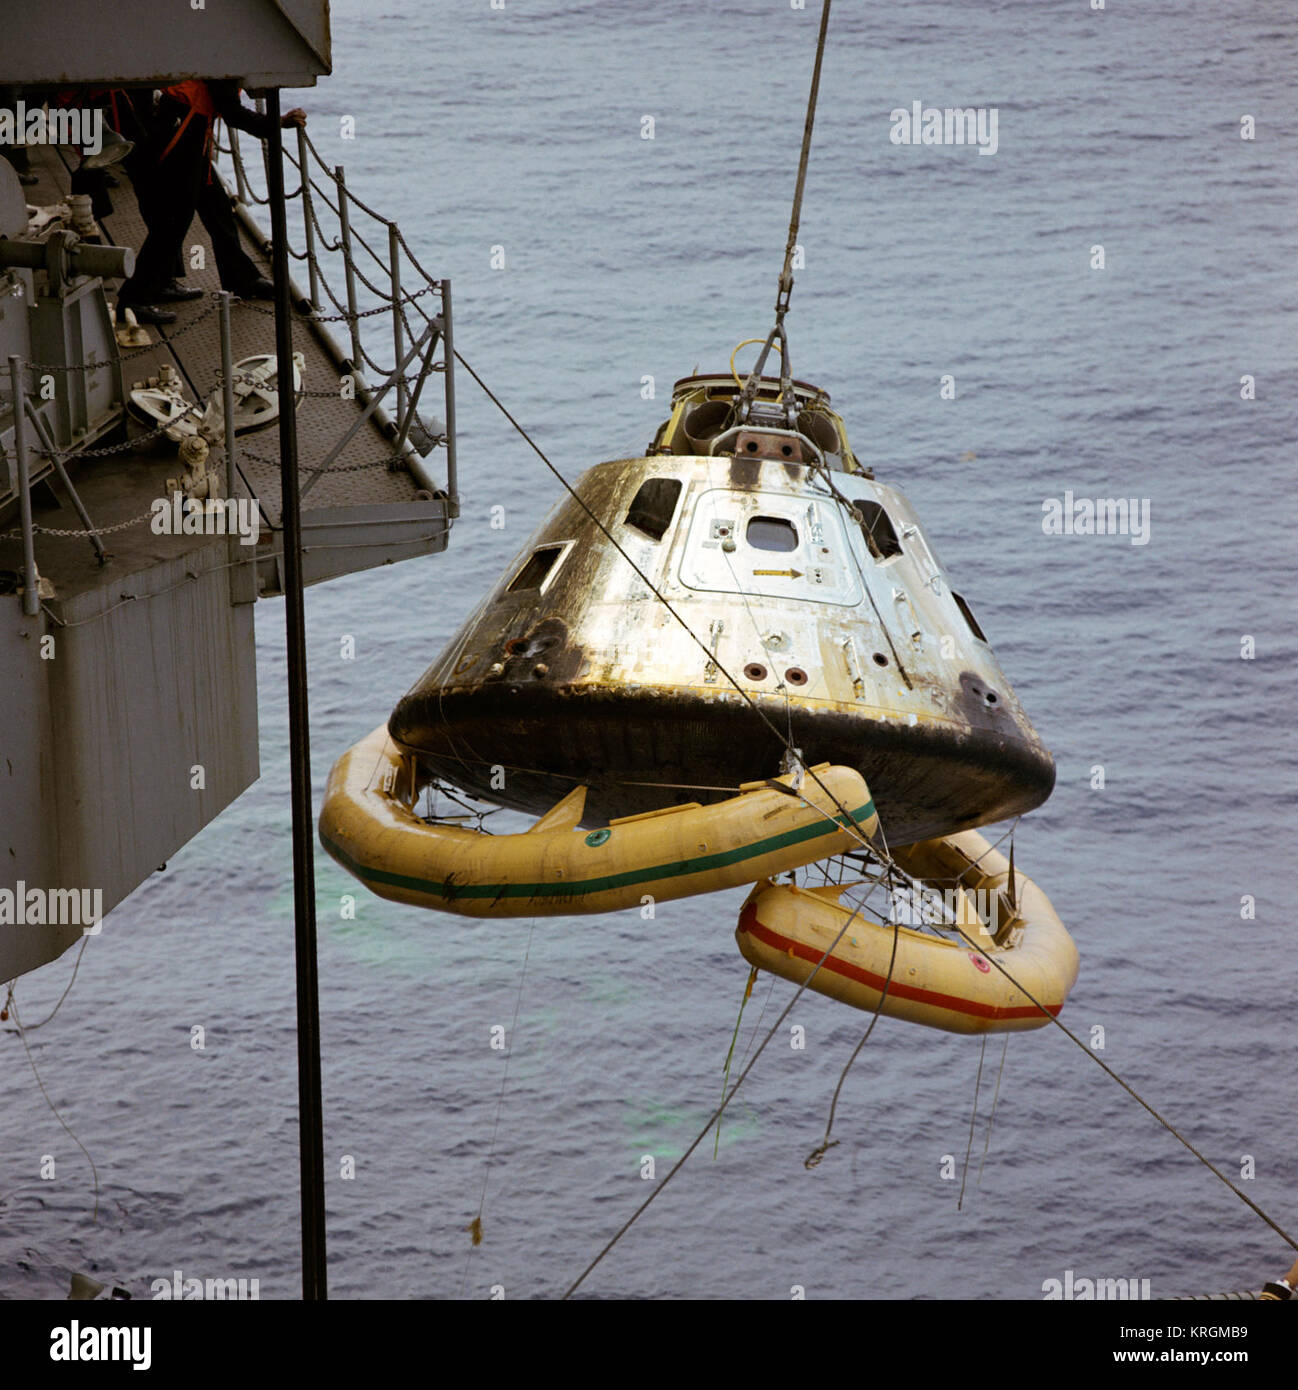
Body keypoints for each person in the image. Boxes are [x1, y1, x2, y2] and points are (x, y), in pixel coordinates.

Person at [116, 81, 306, 324]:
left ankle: (242, 278)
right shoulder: (223, 64)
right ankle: (134, 299)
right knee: (173, 221)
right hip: (182, 134)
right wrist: (277, 123)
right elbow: (232, 113)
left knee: (217, 208)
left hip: (187, 127)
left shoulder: (218, 53)